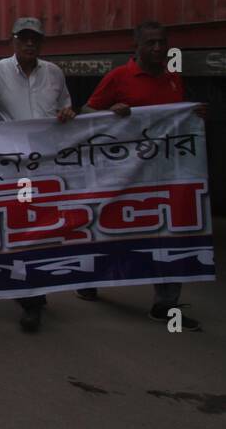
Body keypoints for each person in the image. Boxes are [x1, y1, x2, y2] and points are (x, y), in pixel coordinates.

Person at [79, 20, 208, 331]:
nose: (157, 48)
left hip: (167, 175)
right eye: (150, 43)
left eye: (161, 42)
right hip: (127, 175)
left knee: (173, 230)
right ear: (136, 46)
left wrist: (195, 116)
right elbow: (84, 114)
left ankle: (166, 304)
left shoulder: (173, 79)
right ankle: (91, 278)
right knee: (115, 227)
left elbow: (175, 122)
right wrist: (111, 114)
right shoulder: (119, 77)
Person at [0, 17, 77, 333]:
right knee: (20, 223)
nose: (30, 44)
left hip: (48, 163)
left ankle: (33, 289)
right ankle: (30, 296)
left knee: (44, 223)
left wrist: (67, 114)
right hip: (11, 164)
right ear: (13, 41)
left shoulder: (54, 73)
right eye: (24, 38)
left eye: (35, 39)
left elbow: (67, 107)